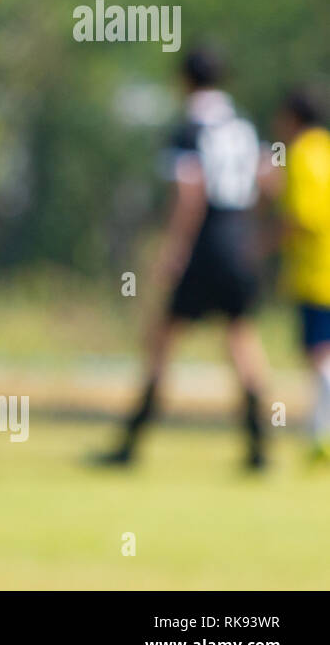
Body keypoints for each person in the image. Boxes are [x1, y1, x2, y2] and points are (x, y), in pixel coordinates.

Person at [98, 47, 270, 470]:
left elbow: (189, 193)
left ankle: (130, 442)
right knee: (240, 336)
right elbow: (270, 175)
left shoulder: (189, 128)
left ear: (185, 79)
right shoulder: (243, 124)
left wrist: (175, 248)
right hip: (237, 234)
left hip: (206, 239)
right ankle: (258, 447)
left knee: (162, 338)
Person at [271, 87, 330, 461]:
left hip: (317, 271)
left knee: (319, 354)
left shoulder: (303, 154)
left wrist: (262, 243)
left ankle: (320, 433)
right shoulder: (325, 149)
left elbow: (304, 218)